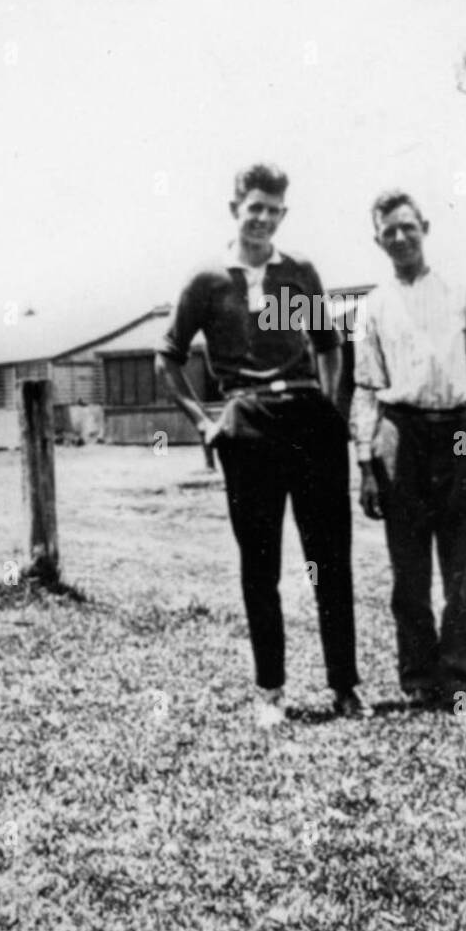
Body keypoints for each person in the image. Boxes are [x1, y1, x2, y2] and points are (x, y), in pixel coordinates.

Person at [158, 163, 369, 727]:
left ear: (283, 215)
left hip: (308, 418)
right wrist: (205, 421)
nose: (263, 219)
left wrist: (330, 408)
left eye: (274, 211)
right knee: (261, 565)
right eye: (255, 208)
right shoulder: (207, 280)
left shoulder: (298, 273)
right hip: (247, 422)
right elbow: (169, 356)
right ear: (235, 209)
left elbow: (329, 345)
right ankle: (271, 691)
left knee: (329, 561)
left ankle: (345, 687)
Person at [350, 190, 466, 709]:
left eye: (407, 227)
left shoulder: (462, 294)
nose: (399, 238)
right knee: (409, 570)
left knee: (460, 569)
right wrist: (367, 464)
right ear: (377, 240)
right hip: (402, 434)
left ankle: (459, 677)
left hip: (461, 430)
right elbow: (368, 386)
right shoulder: (373, 305)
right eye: (388, 231)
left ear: (425, 227)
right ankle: (419, 678)